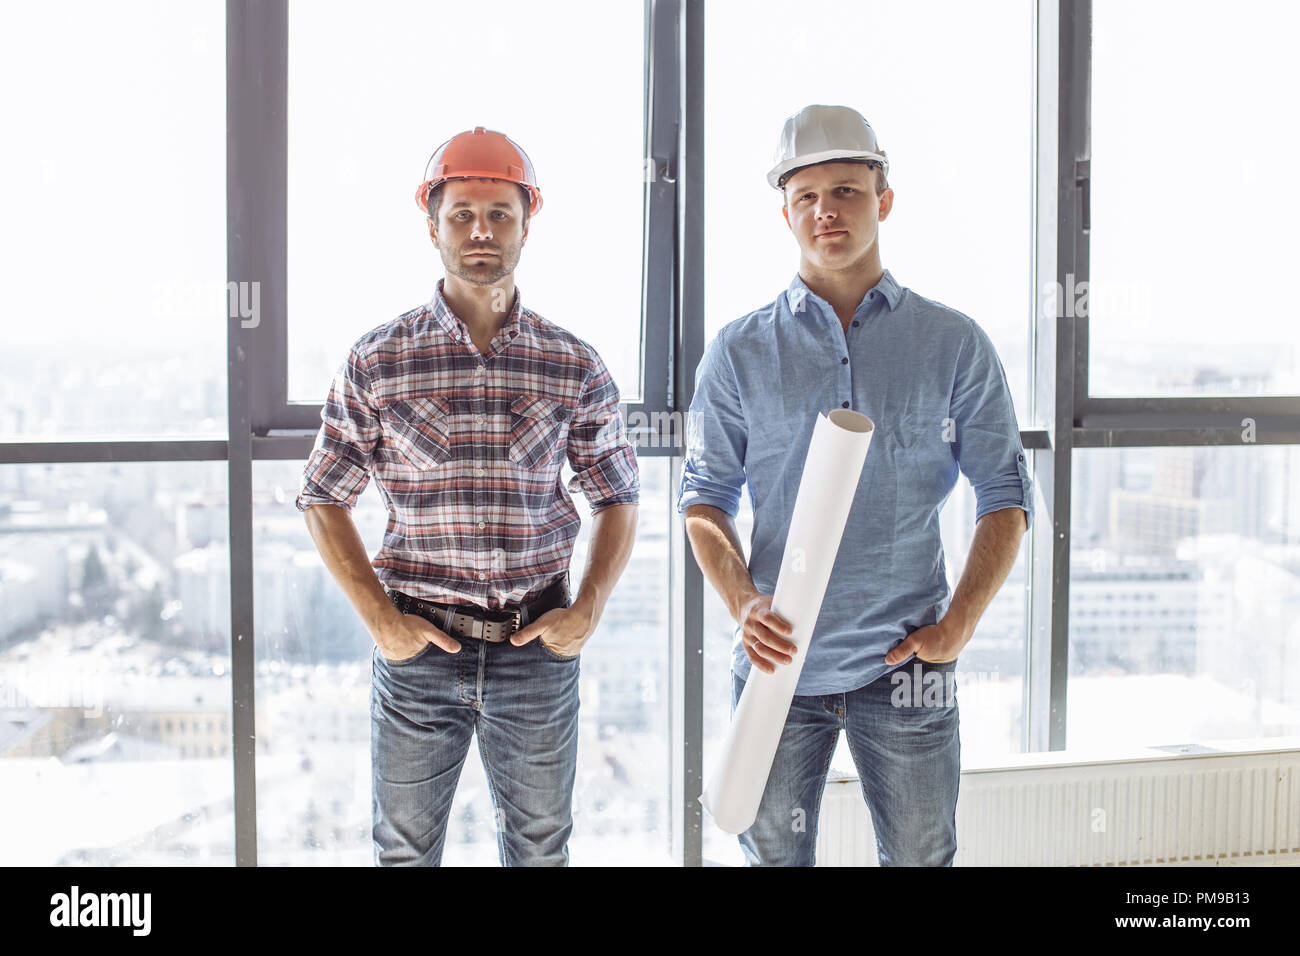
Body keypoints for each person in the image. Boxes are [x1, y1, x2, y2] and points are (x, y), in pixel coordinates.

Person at [678, 104, 1033, 866]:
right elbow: (704, 498)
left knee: (919, 855)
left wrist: (957, 628)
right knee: (771, 852)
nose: (825, 210)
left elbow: (1004, 493)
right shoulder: (739, 351)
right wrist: (743, 602)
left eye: (845, 190)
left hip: (906, 666)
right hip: (779, 667)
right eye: (805, 196)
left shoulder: (952, 344)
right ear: (785, 213)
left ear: (884, 200)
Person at [296, 127, 640, 866]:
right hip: (418, 649)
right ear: (432, 225)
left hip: (537, 647)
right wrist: (381, 622)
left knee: (542, 848)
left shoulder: (572, 364)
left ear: (526, 222)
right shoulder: (378, 359)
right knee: (404, 851)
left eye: (499, 213)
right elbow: (323, 495)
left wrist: (588, 608)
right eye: (462, 214)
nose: (481, 230)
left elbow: (618, 494)